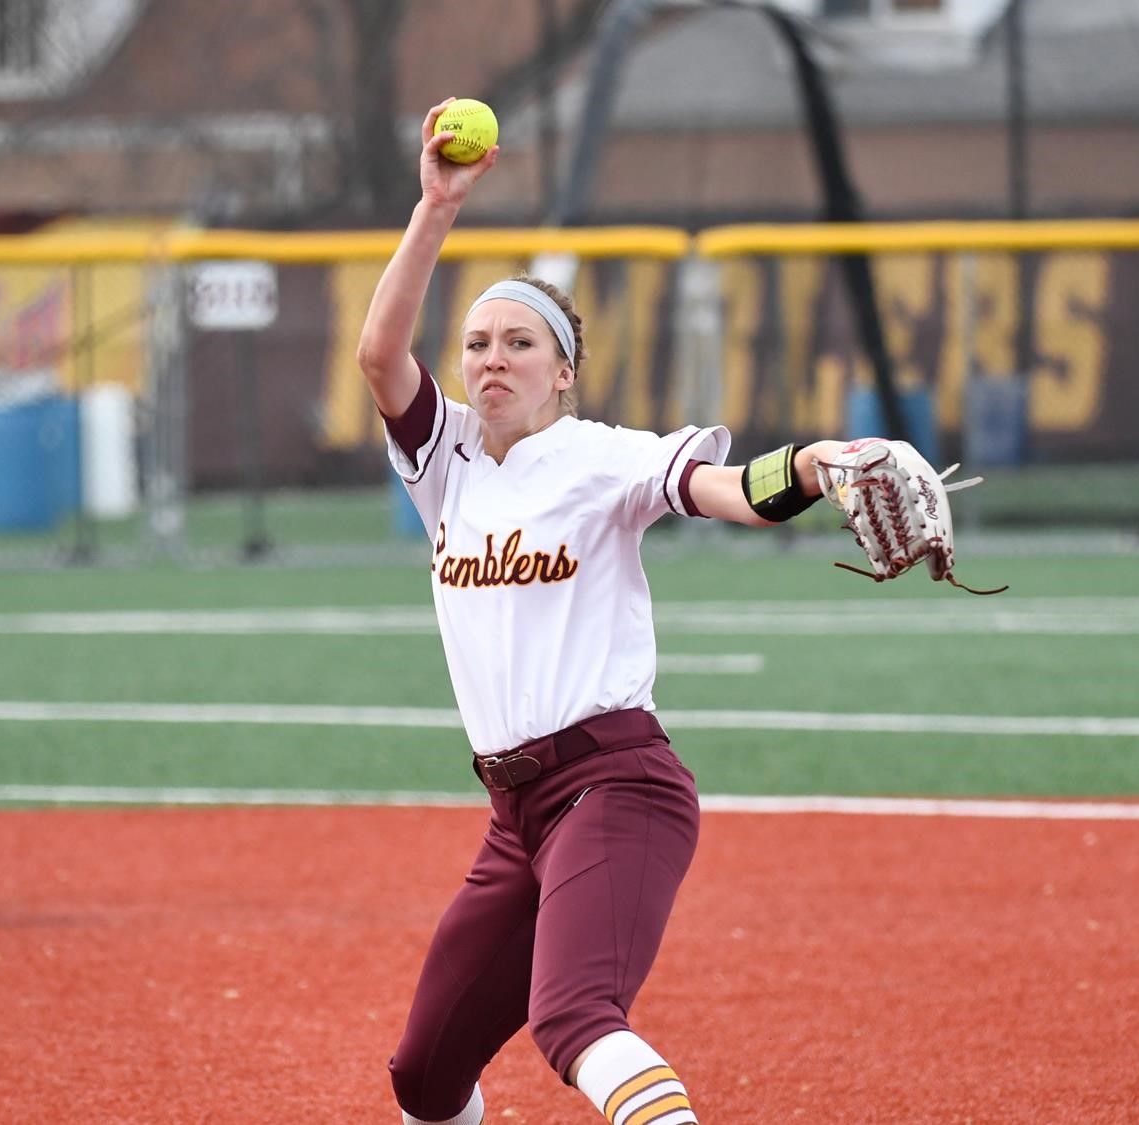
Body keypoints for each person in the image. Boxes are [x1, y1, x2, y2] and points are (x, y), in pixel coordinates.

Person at [358, 99, 858, 1125]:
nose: (492, 358)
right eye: (477, 343)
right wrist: (436, 208)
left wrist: (809, 466)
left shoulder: (602, 457)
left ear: (563, 373)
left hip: (614, 784)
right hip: (513, 816)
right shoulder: (445, 463)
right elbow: (377, 353)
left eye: (519, 342)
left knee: (574, 1016)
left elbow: (726, 492)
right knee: (423, 1075)